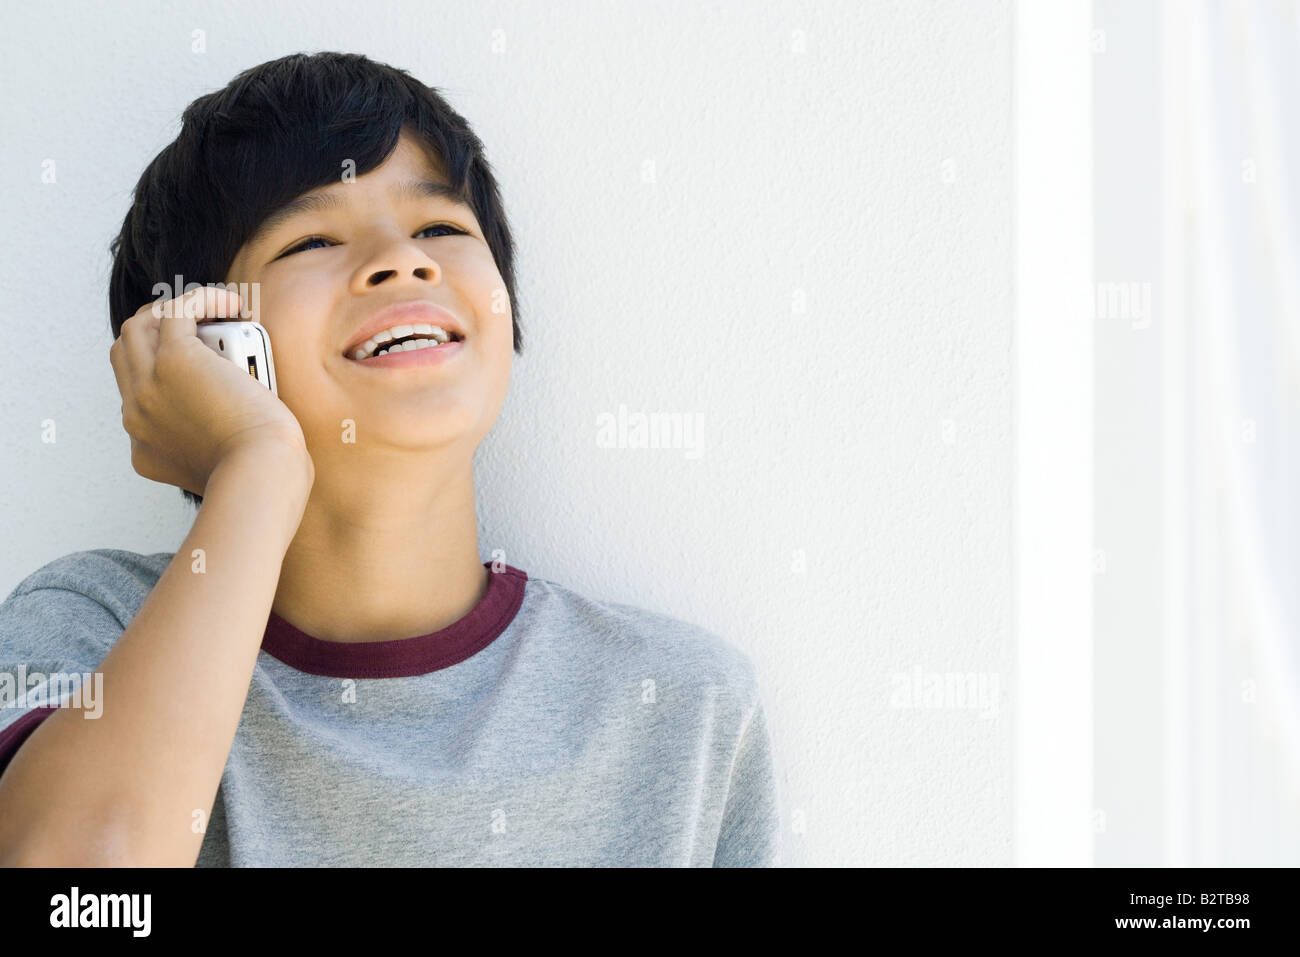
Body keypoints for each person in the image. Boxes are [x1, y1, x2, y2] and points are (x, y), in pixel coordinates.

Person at [0, 52, 781, 867]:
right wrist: (258, 464)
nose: (402, 260)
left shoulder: (687, 710)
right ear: (205, 350)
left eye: (440, 227)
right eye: (312, 238)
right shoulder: (88, 622)